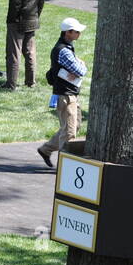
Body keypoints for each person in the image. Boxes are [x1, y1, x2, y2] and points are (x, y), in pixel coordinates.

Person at [37, 17, 87, 167]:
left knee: (74, 126)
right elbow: (81, 70)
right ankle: (65, 168)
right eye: (76, 31)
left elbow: (77, 70)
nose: (79, 34)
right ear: (68, 33)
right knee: (69, 133)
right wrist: (81, 64)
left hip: (69, 94)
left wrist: (78, 65)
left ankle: (46, 149)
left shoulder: (67, 48)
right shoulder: (64, 51)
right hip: (66, 96)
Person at [3, 0, 43, 90]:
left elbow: (15, 3)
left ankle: (11, 84)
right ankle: (30, 82)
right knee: (30, 52)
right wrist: (36, 15)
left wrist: (11, 20)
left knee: (13, 53)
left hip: (18, 22)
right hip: (32, 20)